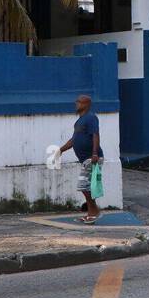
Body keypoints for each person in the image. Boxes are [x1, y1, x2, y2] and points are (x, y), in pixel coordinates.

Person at [58, 94, 103, 224]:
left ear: (87, 104)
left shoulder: (91, 118)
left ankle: (94, 211)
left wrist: (94, 153)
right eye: (76, 101)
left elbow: (95, 135)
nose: (76, 103)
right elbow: (73, 140)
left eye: (79, 102)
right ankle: (91, 212)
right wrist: (60, 150)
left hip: (92, 157)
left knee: (84, 186)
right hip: (85, 159)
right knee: (86, 186)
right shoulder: (80, 121)